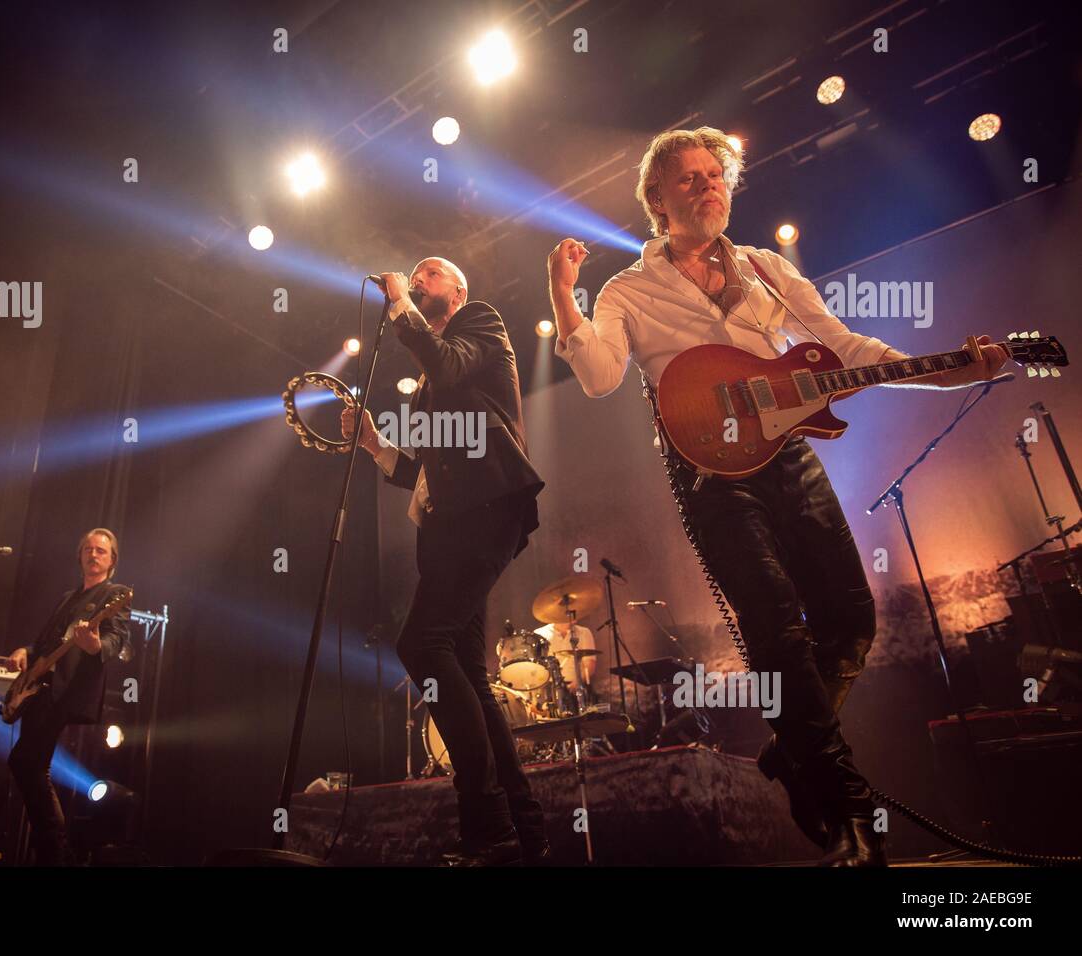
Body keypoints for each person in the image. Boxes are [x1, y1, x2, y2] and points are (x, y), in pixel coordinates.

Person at [545, 126, 1007, 866]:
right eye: (688, 179)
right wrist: (565, 299)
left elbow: (843, 347)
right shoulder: (630, 290)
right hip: (712, 477)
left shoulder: (764, 269)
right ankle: (849, 812)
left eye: (715, 175)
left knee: (851, 614)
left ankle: (794, 754)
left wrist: (947, 369)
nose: (708, 186)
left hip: (788, 454)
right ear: (657, 201)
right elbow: (599, 375)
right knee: (777, 632)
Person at [342, 257, 547, 866]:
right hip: (453, 522)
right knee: (467, 671)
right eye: (415, 274)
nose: (416, 276)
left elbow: (446, 360)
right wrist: (377, 447)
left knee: (421, 646)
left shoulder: (480, 323)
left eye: (428, 272)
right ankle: (523, 828)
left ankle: (485, 823)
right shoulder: (434, 388)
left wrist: (403, 306)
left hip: (484, 514)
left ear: (457, 291)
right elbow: (430, 473)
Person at [5, 528, 131, 865]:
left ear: (112, 559)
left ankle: (57, 851)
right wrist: (25, 651)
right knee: (26, 763)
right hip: (40, 688)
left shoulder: (114, 595)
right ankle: (50, 847)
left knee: (27, 762)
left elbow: (115, 640)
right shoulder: (67, 597)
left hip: (66, 692)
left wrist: (94, 645)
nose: (93, 554)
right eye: (88, 549)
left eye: (101, 551)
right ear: (80, 555)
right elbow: (43, 642)